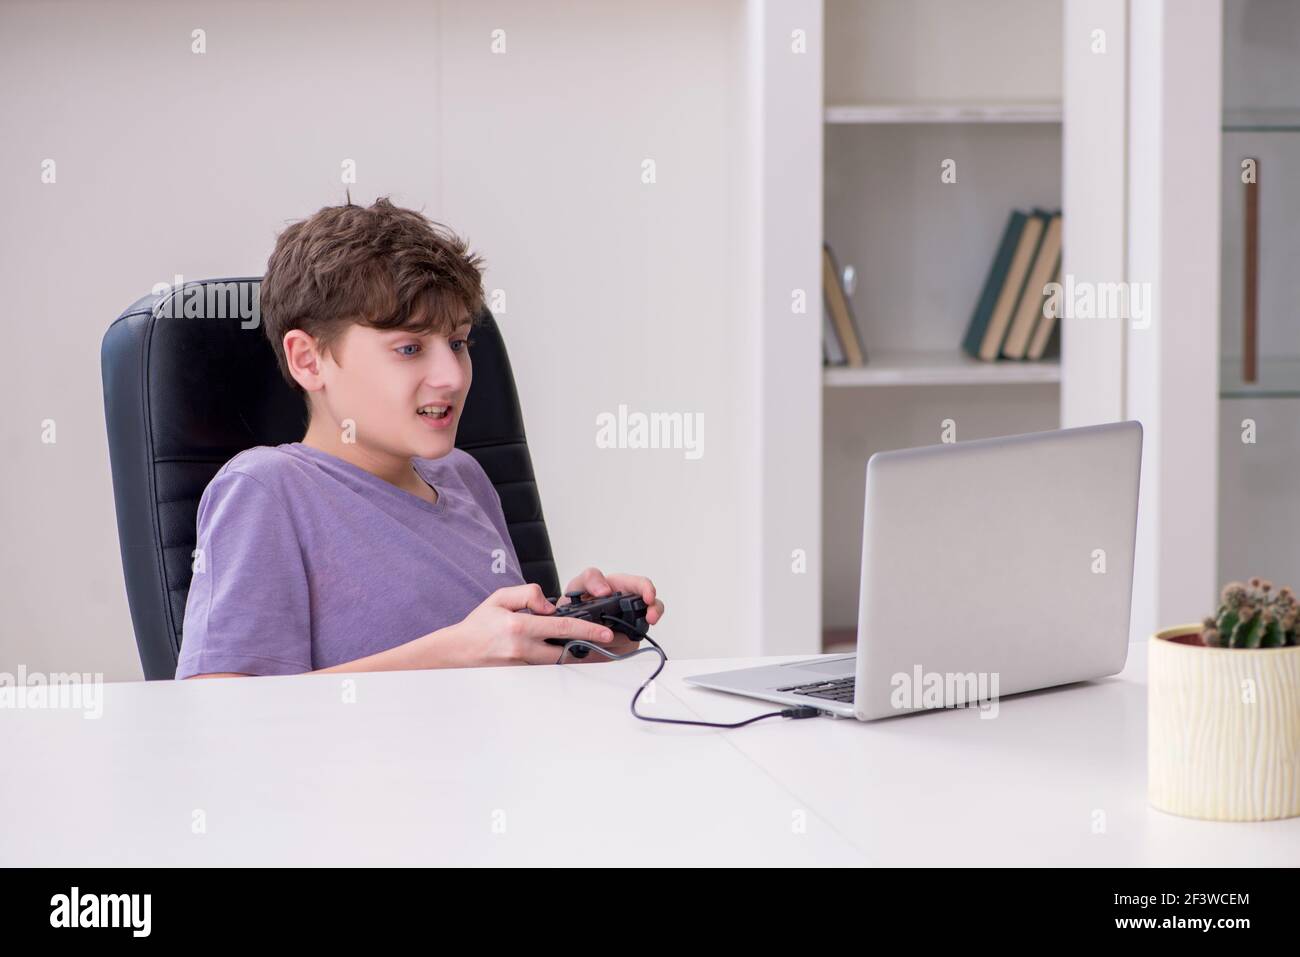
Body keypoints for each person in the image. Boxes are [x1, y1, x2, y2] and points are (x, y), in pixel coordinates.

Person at [176, 197, 663, 678]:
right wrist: (451, 654)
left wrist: (572, 633)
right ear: (308, 359)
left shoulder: (462, 476)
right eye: (409, 348)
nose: (452, 376)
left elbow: (487, 661)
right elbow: (222, 709)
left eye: (458, 343)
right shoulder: (267, 490)